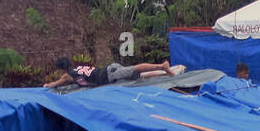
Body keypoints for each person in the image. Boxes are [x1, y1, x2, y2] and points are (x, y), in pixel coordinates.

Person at [44, 57, 181, 88]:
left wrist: (47, 85)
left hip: (110, 75)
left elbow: (55, 84)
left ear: (62, 69)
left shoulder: (68, 75)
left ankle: (162, 66)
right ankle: (165, 74)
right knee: (137, 77)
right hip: (110, 72)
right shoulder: (77, 68)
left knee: (134, 69)